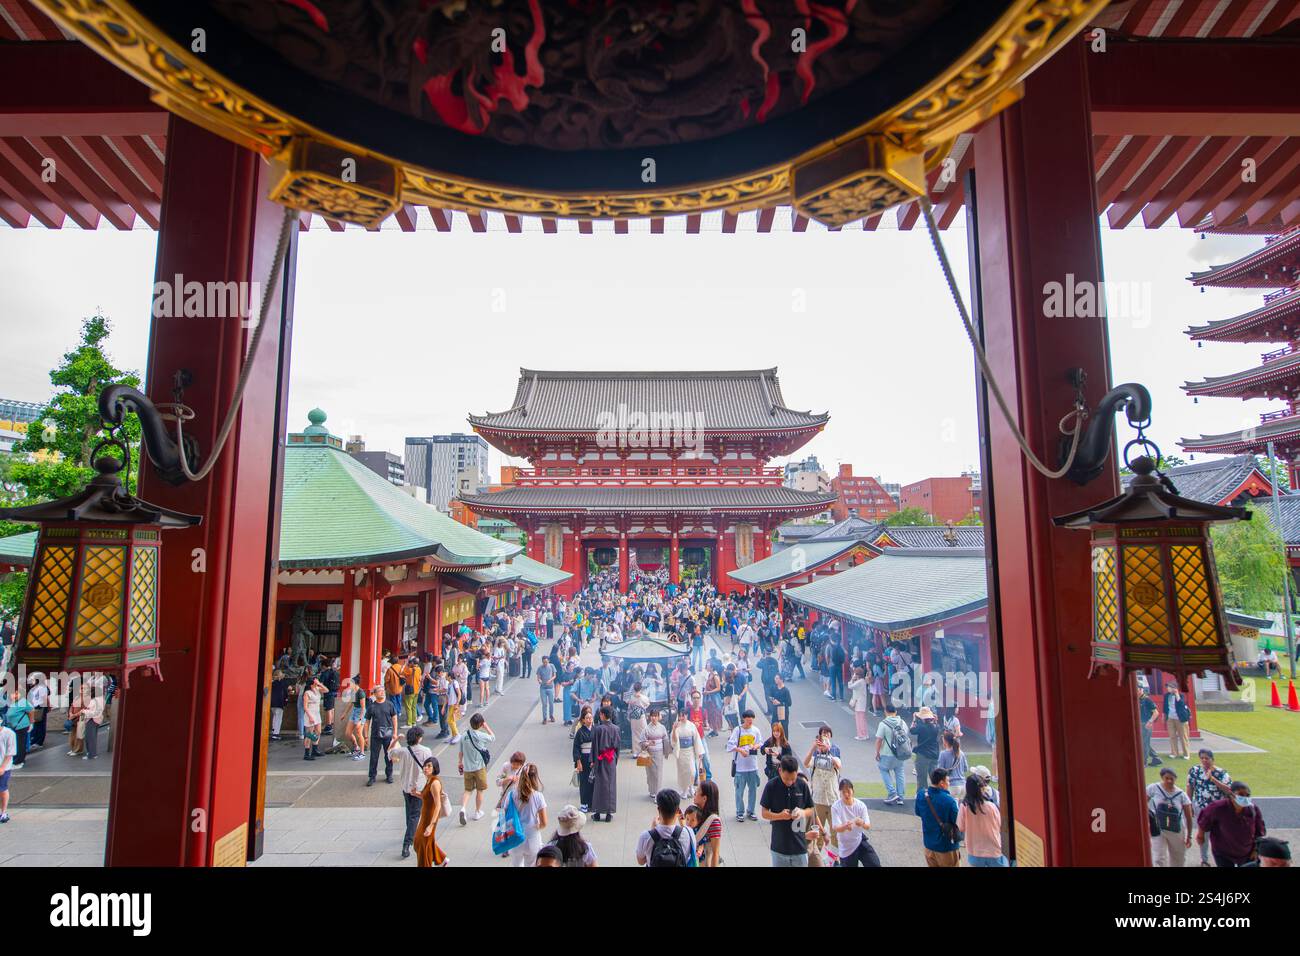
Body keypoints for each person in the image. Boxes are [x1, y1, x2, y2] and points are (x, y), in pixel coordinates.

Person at [760, 754, 816, 867]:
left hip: (800, 846)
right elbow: (764, 813)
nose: (790, 782)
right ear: (780, 770)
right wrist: (779, 816)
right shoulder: (771, 786)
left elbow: (812, 809)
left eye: (793, 779)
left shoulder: (802, 785)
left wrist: (803, 812)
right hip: (779, 847)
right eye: (786, 779)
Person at [1197, 780, 1266, 867]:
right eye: (1241, 794)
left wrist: (1256, 850)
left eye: (1247, 795)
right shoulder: (1217, 807)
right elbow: (1204, 820)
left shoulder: (1253, 810)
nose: (1245, 798)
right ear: (1231, 795)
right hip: (1223, 852)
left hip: (1247, 852)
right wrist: (1200, 835)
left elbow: (1260, 831)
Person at [389, 726, 433, 859]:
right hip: (419, 787)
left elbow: (390, 753)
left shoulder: (403, 751)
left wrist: (395, 739)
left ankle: (411, 834)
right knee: (415, 815)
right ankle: (407, 844)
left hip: (405, 786)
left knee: (409, 812)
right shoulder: (426, 751)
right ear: (419, 738)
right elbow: (431, 768)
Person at [1186, 749, 1233, 866]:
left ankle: (1222, 859)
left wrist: (1213, 779)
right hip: (1201, 809)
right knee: (1203, 835)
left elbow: (1229, 790)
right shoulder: (1195, 771)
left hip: (1219, 811)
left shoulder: (1222, 773)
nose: (1204, 760)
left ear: (1212, 759)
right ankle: (1204, 860)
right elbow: (1190, 787)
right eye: (1202, 758)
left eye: (1207, 758)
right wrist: (1189, 804)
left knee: (1220, 835)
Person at [803, 725, 843, 854]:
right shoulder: (815, 759)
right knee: (817, 833)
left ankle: (836, 859)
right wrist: (814, 747)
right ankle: (816, 857)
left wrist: (829, 751)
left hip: (833, 800)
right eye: (821, 742)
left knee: (835, 832)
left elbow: (839, 765)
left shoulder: (834, 756)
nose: (822, 745)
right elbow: (805, 762)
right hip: (818, 800)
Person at [635, 787, 696, 867]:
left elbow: (641, 861)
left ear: (658, 809)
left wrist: (653, 830)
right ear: (677, 811)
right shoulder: (688, 833)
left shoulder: (645, 836)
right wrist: (684, 825)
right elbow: (690, 856)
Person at [1147, 767, 1194, 867]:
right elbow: (1142, 802)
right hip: (1158, 828)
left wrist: (1189, 836)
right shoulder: (1153, 788)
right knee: (1158, 857)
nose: (1169, 781)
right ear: (1162, 777)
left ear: (1175, 779)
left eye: (1171, 779)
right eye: (1166, 778)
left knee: (1178, 857)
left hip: (1176, 829)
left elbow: (1189, 817)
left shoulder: (1181, 794)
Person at [915, 768, 962, 867]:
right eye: (948, 781)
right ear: (941, 783)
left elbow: (918, 812)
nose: (949, 783)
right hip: (946, 847)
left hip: (929, 845)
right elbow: (958, 822)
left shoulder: (921, 795)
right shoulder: (949, 801)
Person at [958, 771, 1006, 866]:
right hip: (994, 848)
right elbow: (1000, 825)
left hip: (974, 850)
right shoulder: (991, 806)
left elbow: (961, 827)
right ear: (982, 788)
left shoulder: (964, 807)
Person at [506, 762, 548, 867]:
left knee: (516, 864)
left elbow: (505, 814)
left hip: (515, 836)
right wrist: (537, 826)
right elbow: (544, 823)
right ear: (535, 777)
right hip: (532, 837)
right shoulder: (538, 796)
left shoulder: (512, 794)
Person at [457, 712, 495, 825]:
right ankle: (477, 812)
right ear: (480, 725)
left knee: (468, 790)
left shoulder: (464, 736)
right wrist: (487, 727)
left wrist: (460, 762)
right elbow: (493, 737)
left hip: (467, 768)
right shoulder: (480, 735)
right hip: (479, 767)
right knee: (480, 790)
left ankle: (463, 808)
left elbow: (460, 752)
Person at [831, 778, 880, 867]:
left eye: (848, 791)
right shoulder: (836, 807)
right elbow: (836, 828)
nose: (846, 794)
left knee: (875, 863)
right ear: (839, 793)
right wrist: (845, 827)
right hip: (846, 846)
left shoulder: (861, 806)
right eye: (843, 792)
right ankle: (837, 864)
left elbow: (868, 826)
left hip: (859, 840)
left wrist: (862, 823)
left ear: (853, 791)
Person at [727, 710, 763, 822]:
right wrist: (741, 751)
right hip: (740, 767)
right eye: (748, 720)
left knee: (753, 790)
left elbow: (760, 743)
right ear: (744, 719)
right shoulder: (737, 730)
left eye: (751, 720)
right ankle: (739, 812)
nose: (750, 722)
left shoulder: (756, 730)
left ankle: (751, 811)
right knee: (739, 791)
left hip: (752, 766)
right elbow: (730, 745)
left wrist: (754, 746)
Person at [412, 755, 448, 867]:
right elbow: (427, 797)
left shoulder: (434, 783)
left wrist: (431, 825)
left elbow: (437, 805)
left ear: (434, 768)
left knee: (422, 844)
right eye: (425, 766)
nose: (425, 768)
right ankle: (442, 859)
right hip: (425, 816)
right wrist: (416, 794)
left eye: (429, 766)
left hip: (430, 818)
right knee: (419, 842)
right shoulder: (429, 780)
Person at [875, 702, 912, 805]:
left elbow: (879, 740)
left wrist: (877, 752)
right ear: (895, 712)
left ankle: (892, 792)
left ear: (885, 712)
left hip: (887, 753)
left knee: (883, 769)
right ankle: (900, 797)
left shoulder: (883, 724)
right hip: (900, 753)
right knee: (899, 773)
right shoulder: (902, 723)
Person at [590, 705, 620, 822]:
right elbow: (617, 746)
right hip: (611, 758)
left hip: (601, 758)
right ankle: (609, 813)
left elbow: (595, 746)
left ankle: (597, 812)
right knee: (610, 786)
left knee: (598, 786)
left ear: (602, 715)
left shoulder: (598, 729)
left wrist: (593, 760)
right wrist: (615, 759)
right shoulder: (616, 729)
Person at [365, 686, 399, 786]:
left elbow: (394, 719)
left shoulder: (389, 704)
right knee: (374, 757)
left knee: (388, 756)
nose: (382, 692)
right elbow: (367, 722)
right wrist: (366, 736)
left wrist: (395, 733)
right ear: (374, 694)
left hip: (388, 734)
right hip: (375, 734)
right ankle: (372, 776)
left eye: (383, 691)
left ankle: (389, 775)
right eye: (379, 691)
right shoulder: (372, 707)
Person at [639, 706, 670, 797]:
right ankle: (652, 790)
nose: (654, 718)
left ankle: (658, 793)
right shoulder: (646, 729)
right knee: (650, 773)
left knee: (658, 773)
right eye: (652, 716)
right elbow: (641, 742)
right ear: (649, 717)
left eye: (656, 716)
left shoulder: (662, 727)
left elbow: (666, 740)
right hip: (649, 753)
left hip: (659, 753)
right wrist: (647, 743)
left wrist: (666, 752)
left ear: (659, 717)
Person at [672, 707, 704, 799]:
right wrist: (674, 729)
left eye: (684, 715)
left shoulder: (691, 725)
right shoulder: (677, 726)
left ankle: (690, 787)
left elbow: (697, 739)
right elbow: (674, 741)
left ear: (687, 715)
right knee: (683, 772)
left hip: (690, 751)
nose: (682, 717)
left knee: (692, 771)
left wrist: (700, 752)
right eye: (680, 716)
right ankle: (685, 790)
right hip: (681, 751)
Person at [691, 780, 723, 867]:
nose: (694, 793)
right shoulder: (696, 812)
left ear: (704, 798)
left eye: (697, 791)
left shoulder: (714, 822)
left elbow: (715, 852)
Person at [910, 707, 941, 795]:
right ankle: (936, 794)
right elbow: (936, 724)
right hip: (934, 755)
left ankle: (922, 796)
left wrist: (914, 720)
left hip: (923, 755)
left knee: (922, 778)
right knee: (934, 777)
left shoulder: (921, 727)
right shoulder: (936, 727)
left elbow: (912, 730)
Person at [572, 706, 596, 812]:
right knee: (584, 782)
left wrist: (595, 760)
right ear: (583, 720)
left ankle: (592, 803)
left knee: (593, 782)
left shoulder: (596, 730)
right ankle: (584, 804)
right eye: (587, 718)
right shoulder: (580, 732)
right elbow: (576, 747)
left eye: (590, 718)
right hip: (583, 758)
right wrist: (578, 761)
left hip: (593, 759)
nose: (589, 720)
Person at [1162, 683, 1191, 761]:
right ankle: (1174, 753)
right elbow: (1165, 706)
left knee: (1183, 736)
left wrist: (1177, 694)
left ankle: (1186, 754)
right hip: (1170, 718)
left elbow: (1181, 704)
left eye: (1169, 687)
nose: (1167, 688)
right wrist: (1164, 716)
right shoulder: (1166, 696)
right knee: (1172, 736)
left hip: (1180, 718)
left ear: (1174, 688)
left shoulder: (1180, 695)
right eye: (1167, 687)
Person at [936, 731, 968, 798]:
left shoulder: (943, 754)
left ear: (946, 741)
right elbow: (966, 768)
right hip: (963, 785)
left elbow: (940, 771)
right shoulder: (961, 753)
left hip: (951, 786)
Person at [1138, 685, 1161, 767]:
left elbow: (1156, 712)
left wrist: (1150, 721)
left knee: (1144, 743)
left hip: (1146, 724)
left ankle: (1144, 762)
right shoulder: (1137, 699)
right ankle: (1156, 758)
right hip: (1140, 724)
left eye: (1137, 689)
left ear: (1141, 690)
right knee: (1144, 742)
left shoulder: (1147, 699)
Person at [301, 676, 323, 761]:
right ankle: (306, 753)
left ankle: (315, 749)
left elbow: (326, 690)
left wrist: (319, 684)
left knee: (318, 731)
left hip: (317, 713)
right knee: (309, 734)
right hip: (310, 713)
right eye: (315, 680)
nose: (317, 681)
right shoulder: (307, 693)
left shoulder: (317, 689)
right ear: (312, 683)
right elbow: (305, 707)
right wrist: (310, 717)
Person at [848, 667, 870, 740]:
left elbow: (850, 686)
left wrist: (852, 679)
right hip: (861, 703)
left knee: (859, 720)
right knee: (862, 720)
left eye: (855, 673)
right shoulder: (862, 681)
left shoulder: (859, 682)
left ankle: (861, 735)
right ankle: (865, 734)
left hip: (859, 704)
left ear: (857, 674)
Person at [0, 720, 14, 823]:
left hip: (4, 766)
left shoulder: (8, 733)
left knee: (2, 789)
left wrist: (3, 767)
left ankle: (3, 812)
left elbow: (10, 752)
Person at [536, 655, 557, 724]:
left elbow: (554, 675)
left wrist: (550, 680)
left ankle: (551, 716)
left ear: (548, 661)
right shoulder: (540, 668)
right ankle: (544, 718)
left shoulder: (551, 666)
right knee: (544, 704)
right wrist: (539, 680)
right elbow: (538, 677)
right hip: (543, 688)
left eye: (546, 662)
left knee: (551, 703)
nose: (545, 663)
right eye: (543, 662)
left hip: (550, 687)